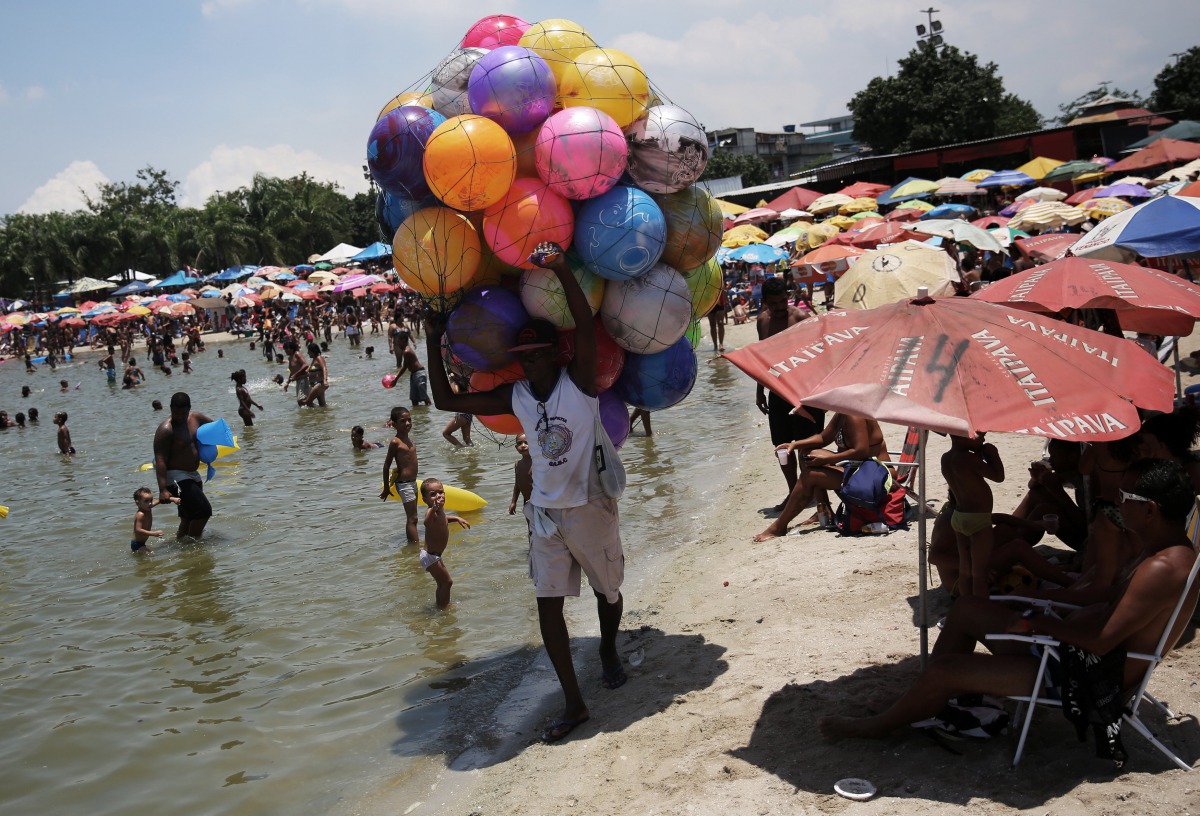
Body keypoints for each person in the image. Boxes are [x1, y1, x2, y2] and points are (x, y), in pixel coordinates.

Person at [819, 458, 1200, 748]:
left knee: (947, 668)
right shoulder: (1167, 551)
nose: (1116, 503)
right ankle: (921, 699)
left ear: (1149, 509)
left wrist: (1034, 621)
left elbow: (1101, 641)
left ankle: (880, 727)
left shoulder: (1161, 568)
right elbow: (1107, 599)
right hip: (1071, 651)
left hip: (1082, 677)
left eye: (1125, 498)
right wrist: (1043, 598)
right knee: (968, 608)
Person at [426, 240, 626, 744]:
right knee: (547, 607)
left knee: (609, 592)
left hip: (590, 505)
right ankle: (574, 703)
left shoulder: (578, 381)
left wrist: (559, 267)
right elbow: (446, 397)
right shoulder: (514, 394)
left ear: (551, 355)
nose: (532, 363)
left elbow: (583, 326)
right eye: (525, 356)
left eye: (538, 354)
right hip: (544, 515)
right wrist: (431, 340)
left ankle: (607, 649)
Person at [753, 411, 889, 541]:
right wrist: (794, 445)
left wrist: (826, 460)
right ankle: (825, 511)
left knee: (810, 476)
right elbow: (823, 437)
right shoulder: (842, 413)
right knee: (806, 454)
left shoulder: (854, 416)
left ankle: (779, 526)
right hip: (859, 467)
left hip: (875, 474)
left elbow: (861, 451)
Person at [756, 277, 824, 509]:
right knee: (782, 446)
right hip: (778, 390)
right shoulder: (762, 322)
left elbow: (820, 355)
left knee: (806, 445)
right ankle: (794, 492)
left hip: (805, 391)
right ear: (764, 302)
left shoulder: (801, 318)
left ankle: (810, 491)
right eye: (774, 303)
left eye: (783, 301)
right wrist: (759, 391)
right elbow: (762, 358)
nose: (780, 307)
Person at [942, 432, 1006, 598]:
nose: (984, 437)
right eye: (980, 435)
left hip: (959, 517)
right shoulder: (969, 459)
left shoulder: (947, 458)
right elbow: (998, 477)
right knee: (979, 574)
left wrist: (977, 453)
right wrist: (994, 454)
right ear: (963, 437)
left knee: (965, 570)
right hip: (978, 519)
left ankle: (966, 605)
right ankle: (980, 610)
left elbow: (966, 475)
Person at [153, 392, 215, 539]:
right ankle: (193, 546)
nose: (179, 417)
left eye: (183, 413)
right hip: (176, 478)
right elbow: (160, 461)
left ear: (189, 409)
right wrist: (163, 489)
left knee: (188, 516)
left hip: (193, 475)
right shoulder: (165, 430)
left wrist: (208, 446)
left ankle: (181, 545)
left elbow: (214, 426)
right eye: (175, 413)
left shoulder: (196, 418)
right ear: (170, 408)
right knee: (204, 511)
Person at [420, 478, 470, 608]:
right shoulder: (431, 511)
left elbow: (443, 519)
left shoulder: (439, 511)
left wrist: (456, 518)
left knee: (442, 583)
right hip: (430, 556)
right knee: (447, 582)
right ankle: (443, 607)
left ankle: (440, 605)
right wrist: (433, 508)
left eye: (441, 492)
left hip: (434, 555)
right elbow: (426, 522)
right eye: (433, 494)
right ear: (425, 499)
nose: (438, 496)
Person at [379, 406, 419, 545]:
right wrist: (386, 488)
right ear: (394, 424)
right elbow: (386, 466)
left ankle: (412, 545)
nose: (407, 423)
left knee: (415, 517)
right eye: (403, 421)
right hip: (404, 484)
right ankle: (414, 546)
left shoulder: (409, 439)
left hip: (413, 483)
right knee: (412, 518)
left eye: (409, 420)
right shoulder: (396, 442)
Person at [130, 486, 179, 553]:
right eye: (146, 501)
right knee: (150, 555)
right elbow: (138, 530)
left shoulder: (148, 507)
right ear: (137, 503)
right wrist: (153, 533)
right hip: (136, 544)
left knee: (149, 556)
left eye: (151, 500)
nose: (150, 503)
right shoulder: (140, 514)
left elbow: (160, 500)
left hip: (142, 543)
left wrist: (173, 499)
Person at [396, 331, 431, 406]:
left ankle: (429, 410)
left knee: (424, 397)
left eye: (398, 341)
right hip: (414, 374)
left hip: (419, 374)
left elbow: (404, 367)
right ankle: (416, 416)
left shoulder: (407, 351)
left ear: (403, 340)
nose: (397, 343)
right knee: (414, 399)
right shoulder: (405, 351)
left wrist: (396, 378)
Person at [441, 373, 473, 447]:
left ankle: (461, 448)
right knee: (467, 439)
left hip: (462, 415)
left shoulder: (458, 386)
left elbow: (456, 392)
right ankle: (472, 453)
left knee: (446, 433)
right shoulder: (468, 383)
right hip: (469, 414)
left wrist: (452, 380)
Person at [297, 342, 328, 407]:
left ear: (313, 351)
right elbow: (310, 373)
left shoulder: (319, 358)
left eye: (309, 351)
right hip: (315, 384)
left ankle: (311, 416)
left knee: (306, 402)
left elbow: (324, 368)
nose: (308, 353)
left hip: (319, 384)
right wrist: (298, 377)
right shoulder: (314, 360)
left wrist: (325, 380)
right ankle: (323, 416)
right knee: (322, 405)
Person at [508, 433, 533, 515]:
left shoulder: (537, 463)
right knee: (531, 526)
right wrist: (513, 502)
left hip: (541, 502)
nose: (523, 445)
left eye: (527, 442)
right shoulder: (517, 464)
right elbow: (517, 485)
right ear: (516, 447)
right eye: (519, 443)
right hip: (527, 502)